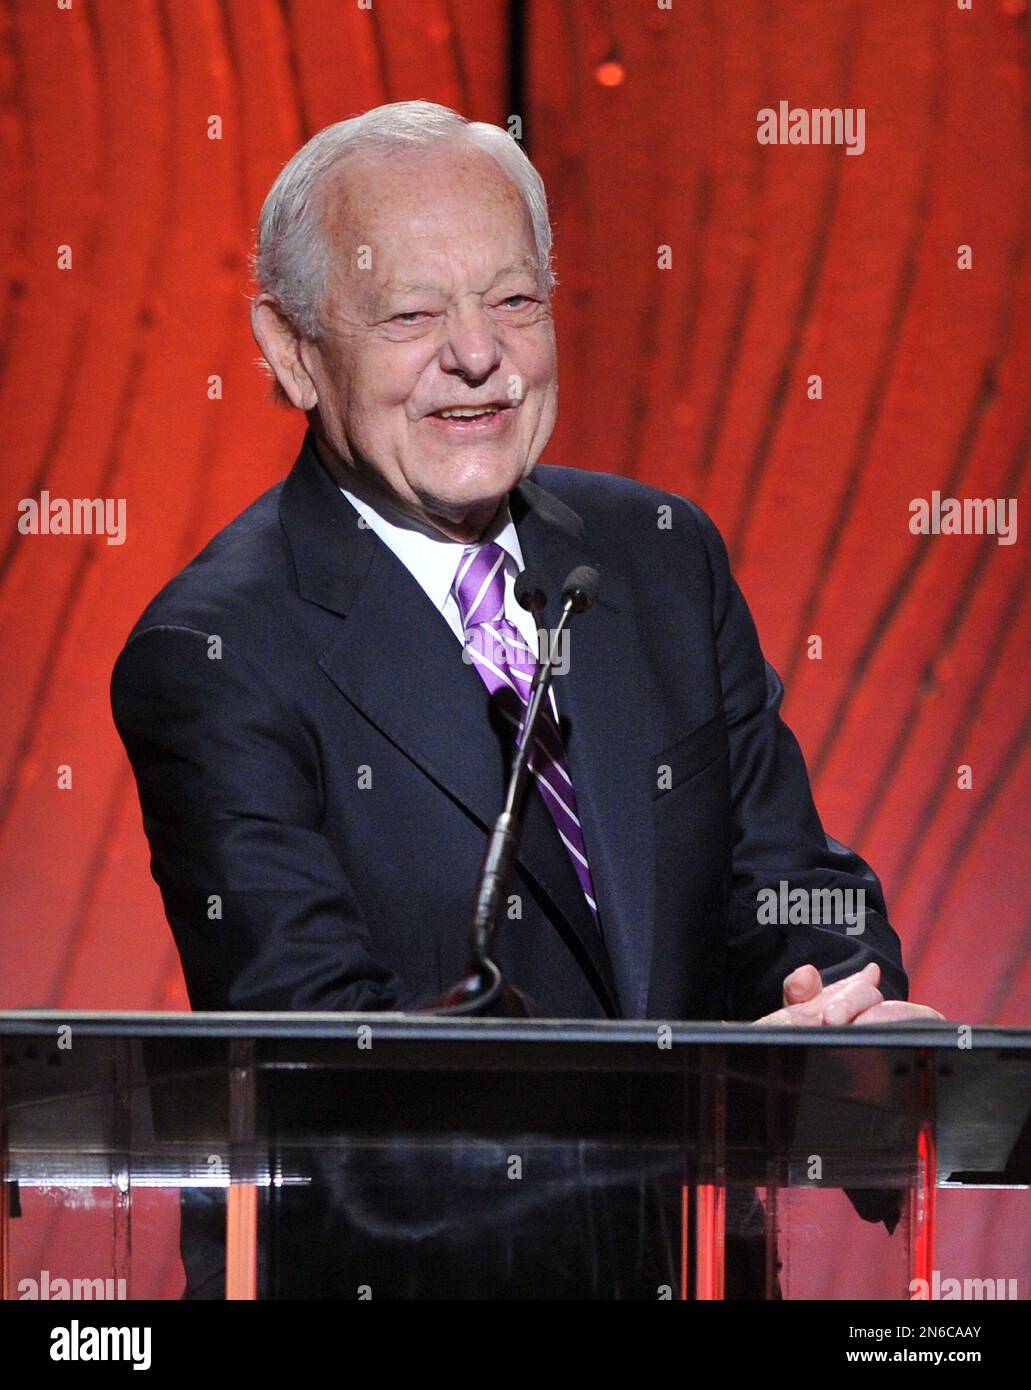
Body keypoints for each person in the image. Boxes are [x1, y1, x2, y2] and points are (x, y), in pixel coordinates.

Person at [111, 101, 941, 1298]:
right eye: (409, 313)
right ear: (290, 350)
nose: (475, 356)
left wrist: (849, 1018)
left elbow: (780, 883)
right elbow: (324, 1062)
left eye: (513, 301)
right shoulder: (216, 652)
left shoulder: (656, 556)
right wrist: (699, 1100)